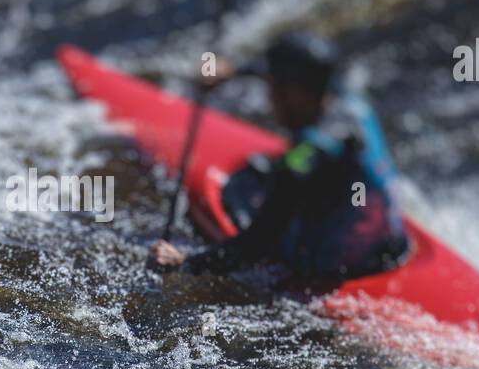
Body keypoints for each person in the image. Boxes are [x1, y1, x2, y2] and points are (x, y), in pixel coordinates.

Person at [148, 33, 410, 281]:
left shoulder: (300, 166)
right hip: (387, 246)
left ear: (294, 93)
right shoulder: (350, 103)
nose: (268, 97)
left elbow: (251, 250)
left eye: (272, 87)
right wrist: (233, 72)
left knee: (242, 187)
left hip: (334, 266)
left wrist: (183, 263)